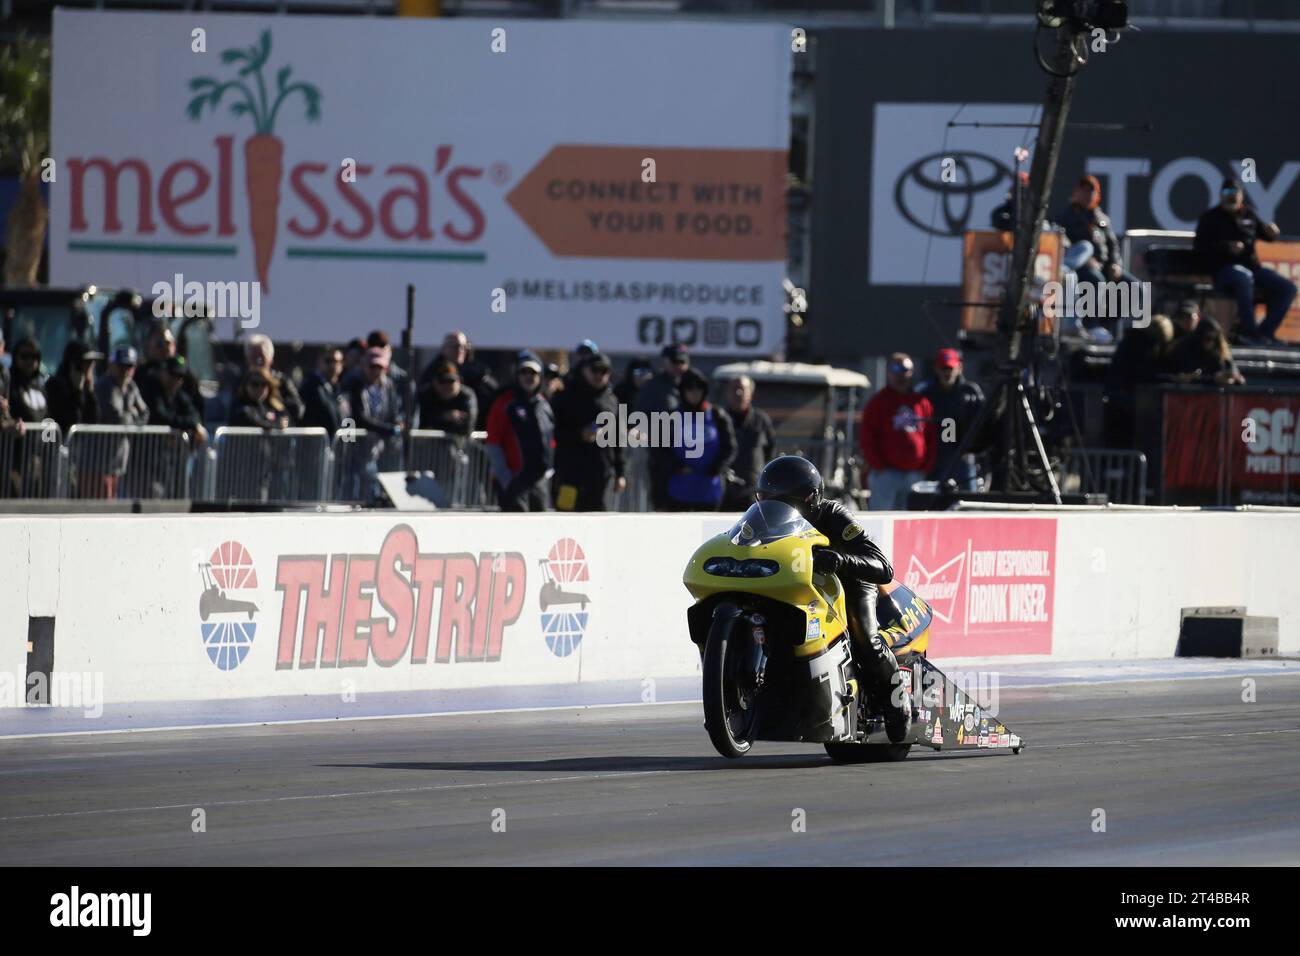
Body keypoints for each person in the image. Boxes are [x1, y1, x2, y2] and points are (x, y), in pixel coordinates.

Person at [753, 455, 911, 743]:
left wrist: (840, 559)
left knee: (866, 641)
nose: (771, 508)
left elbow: (883, 566)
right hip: (797, 582)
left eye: (783, 502)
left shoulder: (834, 515)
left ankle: (897, 706)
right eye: (765, 500)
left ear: (811, 498)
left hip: (849, 579)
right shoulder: (763, 519)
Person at [1194, 176, 1296, 346]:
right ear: (1220, 195)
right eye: (1227, 192)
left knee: (1288, 288)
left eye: (1235, 192)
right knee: (1243, 276)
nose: (1231, 196)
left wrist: (1272, 233)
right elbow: (1200, 247)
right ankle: (1249, 332)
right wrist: (1226, 247)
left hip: (1253, 270)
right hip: (1223, 271)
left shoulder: (1249, 214)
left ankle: (1265, 334)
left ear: (1241, 195)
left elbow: (1268, 235)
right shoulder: (1210, 217)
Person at [1057, 175, 1135, 339]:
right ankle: (1091, 325)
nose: (1086, 194)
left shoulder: (1102, 219)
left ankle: (1107, 324)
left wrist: (1115, 264)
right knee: (1096, 278)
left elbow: (1113, 245)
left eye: (1091, 190)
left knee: (1136, 289)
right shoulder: (1065, 216)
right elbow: (1061, 241)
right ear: (1076, 192)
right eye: (1083, 190)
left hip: (1105, 267)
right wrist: (1086, 260)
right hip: (1081, 268)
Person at [859, 353, 935, 511]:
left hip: (914, 476)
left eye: (905, 369)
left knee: (912, 522)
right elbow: (867, 438)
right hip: (886, 476)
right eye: (895, 368)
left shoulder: (922, 402)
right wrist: (879, 467)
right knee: (881, 519)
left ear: (911, 372)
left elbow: (931, 437)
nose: (901, 374)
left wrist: (925, 468)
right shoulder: (878, 402)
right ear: (888, 372)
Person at [551, 351, 625, 511]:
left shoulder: (611, 400)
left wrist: (620, 473)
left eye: (603, 371)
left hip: (600, 477)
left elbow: (618, 439)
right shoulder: (566, 396)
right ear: (585, 370)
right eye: (594, 370)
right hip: (569, 474)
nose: (598, 375)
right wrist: (579, 435)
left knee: (598, 522)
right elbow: (555, 431)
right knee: (565, 518)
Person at [485, 350, 554, 511]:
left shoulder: (543, 404)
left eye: (533, 372)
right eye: (524, 372)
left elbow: (550, 441)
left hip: (539, 482)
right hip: (514, 481)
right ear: (516, 375)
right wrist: (507, 479)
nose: (528, 377)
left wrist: (547, 473)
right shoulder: (504, 402)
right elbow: (493, 442)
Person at [664, 367, 735, 512]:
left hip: (709, 488)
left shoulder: (717, 415)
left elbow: (730, 447)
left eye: (699, 387)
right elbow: (660, 449)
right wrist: (677, 467)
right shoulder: (671, 417)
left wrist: (716, 468)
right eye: (689, 388)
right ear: (683, 391)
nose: (694, 392)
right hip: (680, 488)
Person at [916, 348, 984, 491]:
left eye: (950, 368)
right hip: (935, 460)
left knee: (967, 501)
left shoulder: (970, 392)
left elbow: (983, 425)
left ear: (959, 368)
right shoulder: (925, 393)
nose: (947, 373)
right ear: (936, 369)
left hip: (963, 459)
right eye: (943, 368)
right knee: (933, 502)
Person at [1104, 315, 1174, 448]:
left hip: (1117, 394)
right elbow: (1145, 375)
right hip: (1128, 397)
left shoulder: (1131, 339)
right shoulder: (1145, 347)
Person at [635, 343, 690, 509]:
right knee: (664, 507)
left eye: (683, 362)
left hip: (691, 460)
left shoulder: (693, 385)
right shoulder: (653, 388)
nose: (679, 366)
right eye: (675, 362)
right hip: (663, 460)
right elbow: (637, 420)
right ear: (664, 362)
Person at [93, 346, 150, 498]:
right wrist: (132, 412)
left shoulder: (131, 386)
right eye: (121, 366)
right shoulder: (105, 385)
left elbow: (145, 413)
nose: (125, 371)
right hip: (98, 458)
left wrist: (129, 416)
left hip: (118, 456)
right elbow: (116, 417)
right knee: (102, 500)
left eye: (129, 366)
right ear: (111, 365)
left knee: (113, 498)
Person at [718, 374, 776, 511]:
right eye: (734, 389)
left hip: (752, 493)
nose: (738, 393)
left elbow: (770, 453)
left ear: (750, 393)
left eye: (742, 389)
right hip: (724, 493)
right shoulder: (718, 419)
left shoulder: (761, 420)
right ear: (727, 393)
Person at [422, 331, 498, 430]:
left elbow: (493, 393)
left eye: (464, 346)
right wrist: (444, 417)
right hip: (438, 434)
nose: (460, 350)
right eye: (456, 346)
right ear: (444, 348)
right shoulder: (433, 372)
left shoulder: (478, 371)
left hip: (474, 428)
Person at [1162, 316, 1245, 386]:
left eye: (1215, 340)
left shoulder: (1217, 351)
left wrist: (1234, 377)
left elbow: (1230, 366)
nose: (1212, 343)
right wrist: (1213, 379)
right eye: (1208, 338)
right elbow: (1187, 377)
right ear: (1200, 337)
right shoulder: (1185, 349)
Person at [45, 340, 102, 437]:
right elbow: (73, 420)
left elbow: (94, 419)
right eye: (87, 362)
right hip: (58, 444)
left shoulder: (87, 386)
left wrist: (90, 392)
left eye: (92, 362)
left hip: (80, 447)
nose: (91, 366)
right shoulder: (55, 384)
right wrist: (77, 391)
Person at [243, 333, 304, 425]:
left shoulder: (282, 381)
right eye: (255, 384)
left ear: (270, 359)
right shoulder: (241, 382)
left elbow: (297, 408)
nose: (258, 362)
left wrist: (279, 414)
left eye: (261, 357)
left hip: (279, 438)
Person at [147, 355, 208, 445]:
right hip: (149, 446)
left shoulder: (178, 394)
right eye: (173, 374)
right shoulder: (152, 390)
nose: (176, 380)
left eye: (180, 376)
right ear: (163, 372)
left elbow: (194, 414)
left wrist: (196, 425)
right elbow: (162, 416)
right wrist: (188, 424)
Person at [417, 358, 477, 438]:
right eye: (442, 381)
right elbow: (422, 423)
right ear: (434, 382)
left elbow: (467, 427)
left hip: (460, 448)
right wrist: (444, 417)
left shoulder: (466, 396)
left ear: (458, 381)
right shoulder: (426, 395)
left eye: (451, 381)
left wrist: (438, 423)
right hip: (428, 447)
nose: (447, 386)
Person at [301, 347, 350, 436]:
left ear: (342, 364)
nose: (332, 365)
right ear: (319, 363)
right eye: (328, 361)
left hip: (337, 445)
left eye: (336, 361)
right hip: (316, 443)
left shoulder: (343, 389)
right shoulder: (312, 386)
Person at [7, 337, 48, 425]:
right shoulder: (8, 382)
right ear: (15, 356)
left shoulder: (42, 385)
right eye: (24, 356)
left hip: (41, 438)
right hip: (16, 438)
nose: (29, 361)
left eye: (34, 356)